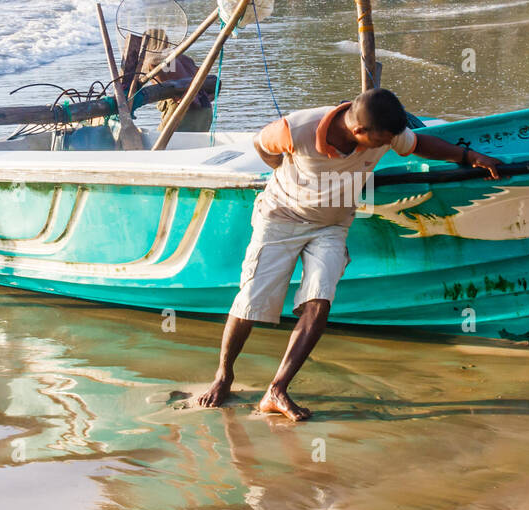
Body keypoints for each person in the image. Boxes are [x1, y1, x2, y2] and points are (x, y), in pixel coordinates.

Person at [197, 88, 501, 420]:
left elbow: (420, 144)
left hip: (332, 225)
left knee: (319, 301)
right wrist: (289, 179)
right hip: (281, 217)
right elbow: (263, 147)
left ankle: (277, 389)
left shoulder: (384, 132)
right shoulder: (296, 128)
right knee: (252, 300)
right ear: (358, 132)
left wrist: (470, 158)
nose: (387, 146)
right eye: (380, 142)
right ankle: (224, 374)